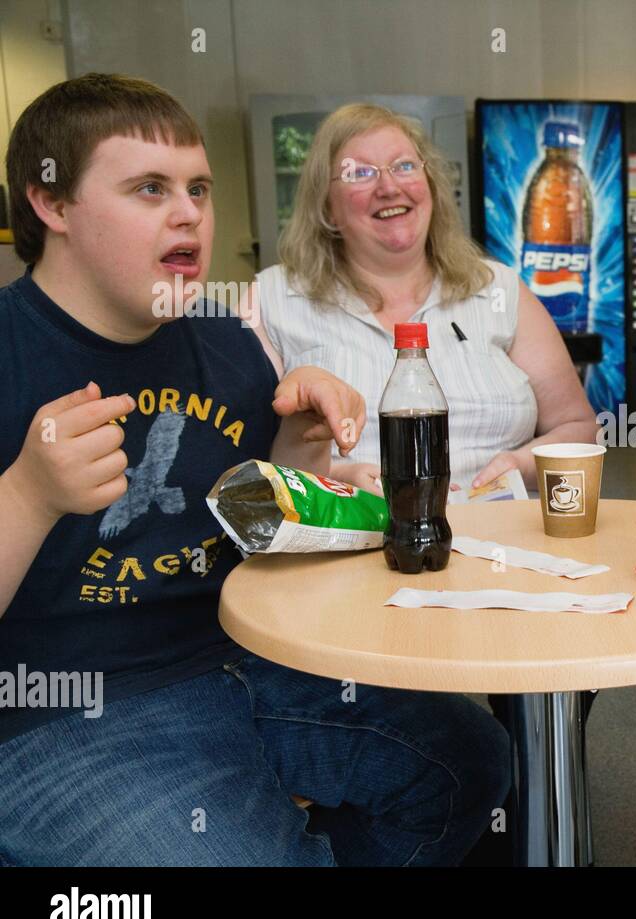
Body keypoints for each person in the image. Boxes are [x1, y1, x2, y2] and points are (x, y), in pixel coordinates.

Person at [0, 74, 510, 866]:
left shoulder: (226, 339)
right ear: (53, 204)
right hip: (62, 712)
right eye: (148, 189)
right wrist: (28, 494)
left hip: (249, 664)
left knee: (469, 763)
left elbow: (251, 522)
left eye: (197, 188)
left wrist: (297, 454)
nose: (189, 214)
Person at [252, 103, 597, 496]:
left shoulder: (499, 289)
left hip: (503, 540)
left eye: (403, 166)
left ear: (431, 184)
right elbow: (241, 462)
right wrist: (336, 477)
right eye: (359, 173)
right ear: (326, 206)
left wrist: (521, 465)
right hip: (347, 543)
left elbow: (579, 429)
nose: (388, 187)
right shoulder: (272, 300)